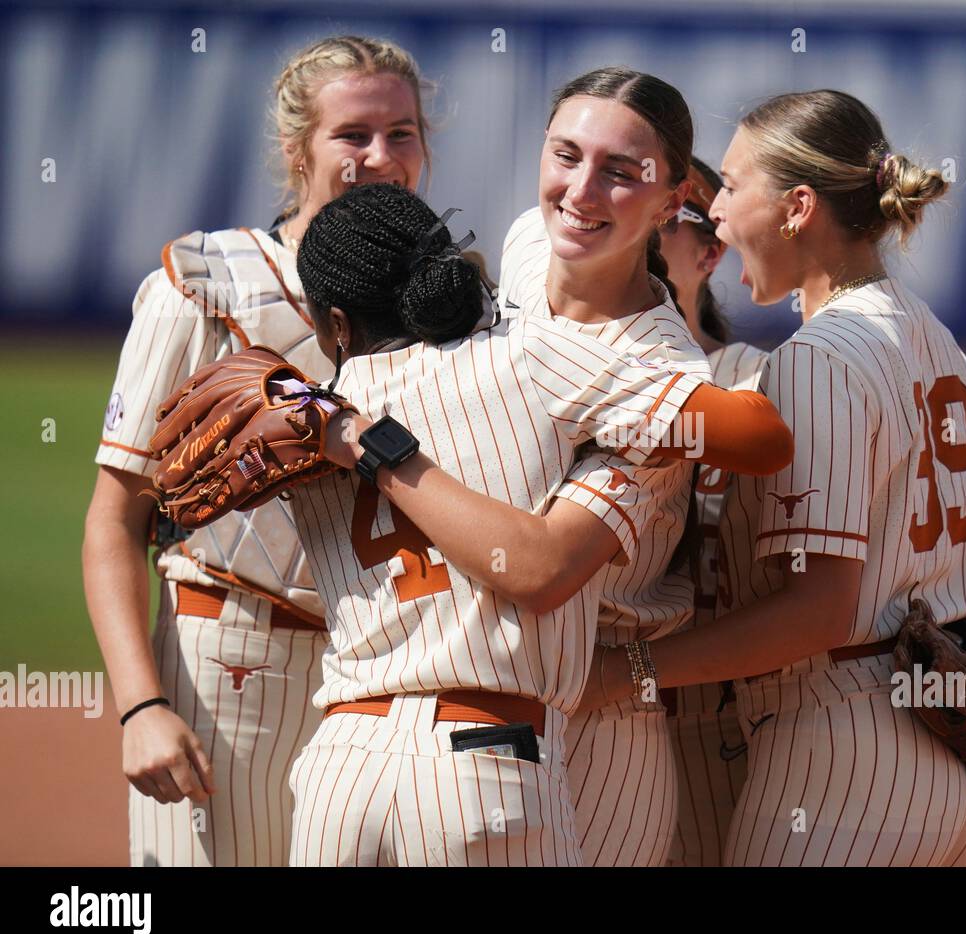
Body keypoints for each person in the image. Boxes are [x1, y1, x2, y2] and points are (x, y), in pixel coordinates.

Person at [284, 182, 792, 866]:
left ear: (336, 326)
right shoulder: (534, 358)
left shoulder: (302, 419)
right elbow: (760, 438)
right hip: (481, 761)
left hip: (338, 774)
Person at [580, 89, 966, 867]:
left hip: (841, 758)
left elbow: (817, 614)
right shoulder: (939, 340)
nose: (717, 215)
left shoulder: (818, 357)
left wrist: (626, 672)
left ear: (798, 207)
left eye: (734, 188)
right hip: (952, 757)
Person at [81, 34, 432, 866]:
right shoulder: (207, 284)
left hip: (386, 679)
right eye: (353, 135)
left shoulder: (453, 304)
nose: (381, 156)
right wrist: (140, 707)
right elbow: (112, 525)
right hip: (230, 662)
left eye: (403, 133)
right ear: (294, 148)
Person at [493, 69, 733, 866]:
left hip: (600, 725)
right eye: (566, 155)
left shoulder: (665, 374)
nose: (581, 190)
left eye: (621, 173)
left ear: (673, 201)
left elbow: (544, 566)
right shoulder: (528, 242)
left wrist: (372, 448)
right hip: (469, 699)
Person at [655, 156, 768, 867]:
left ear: (709, 250)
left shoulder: (755, 381)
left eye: (664, 222)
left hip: (716, 726)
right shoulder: (543, 370)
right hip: (580, 729)